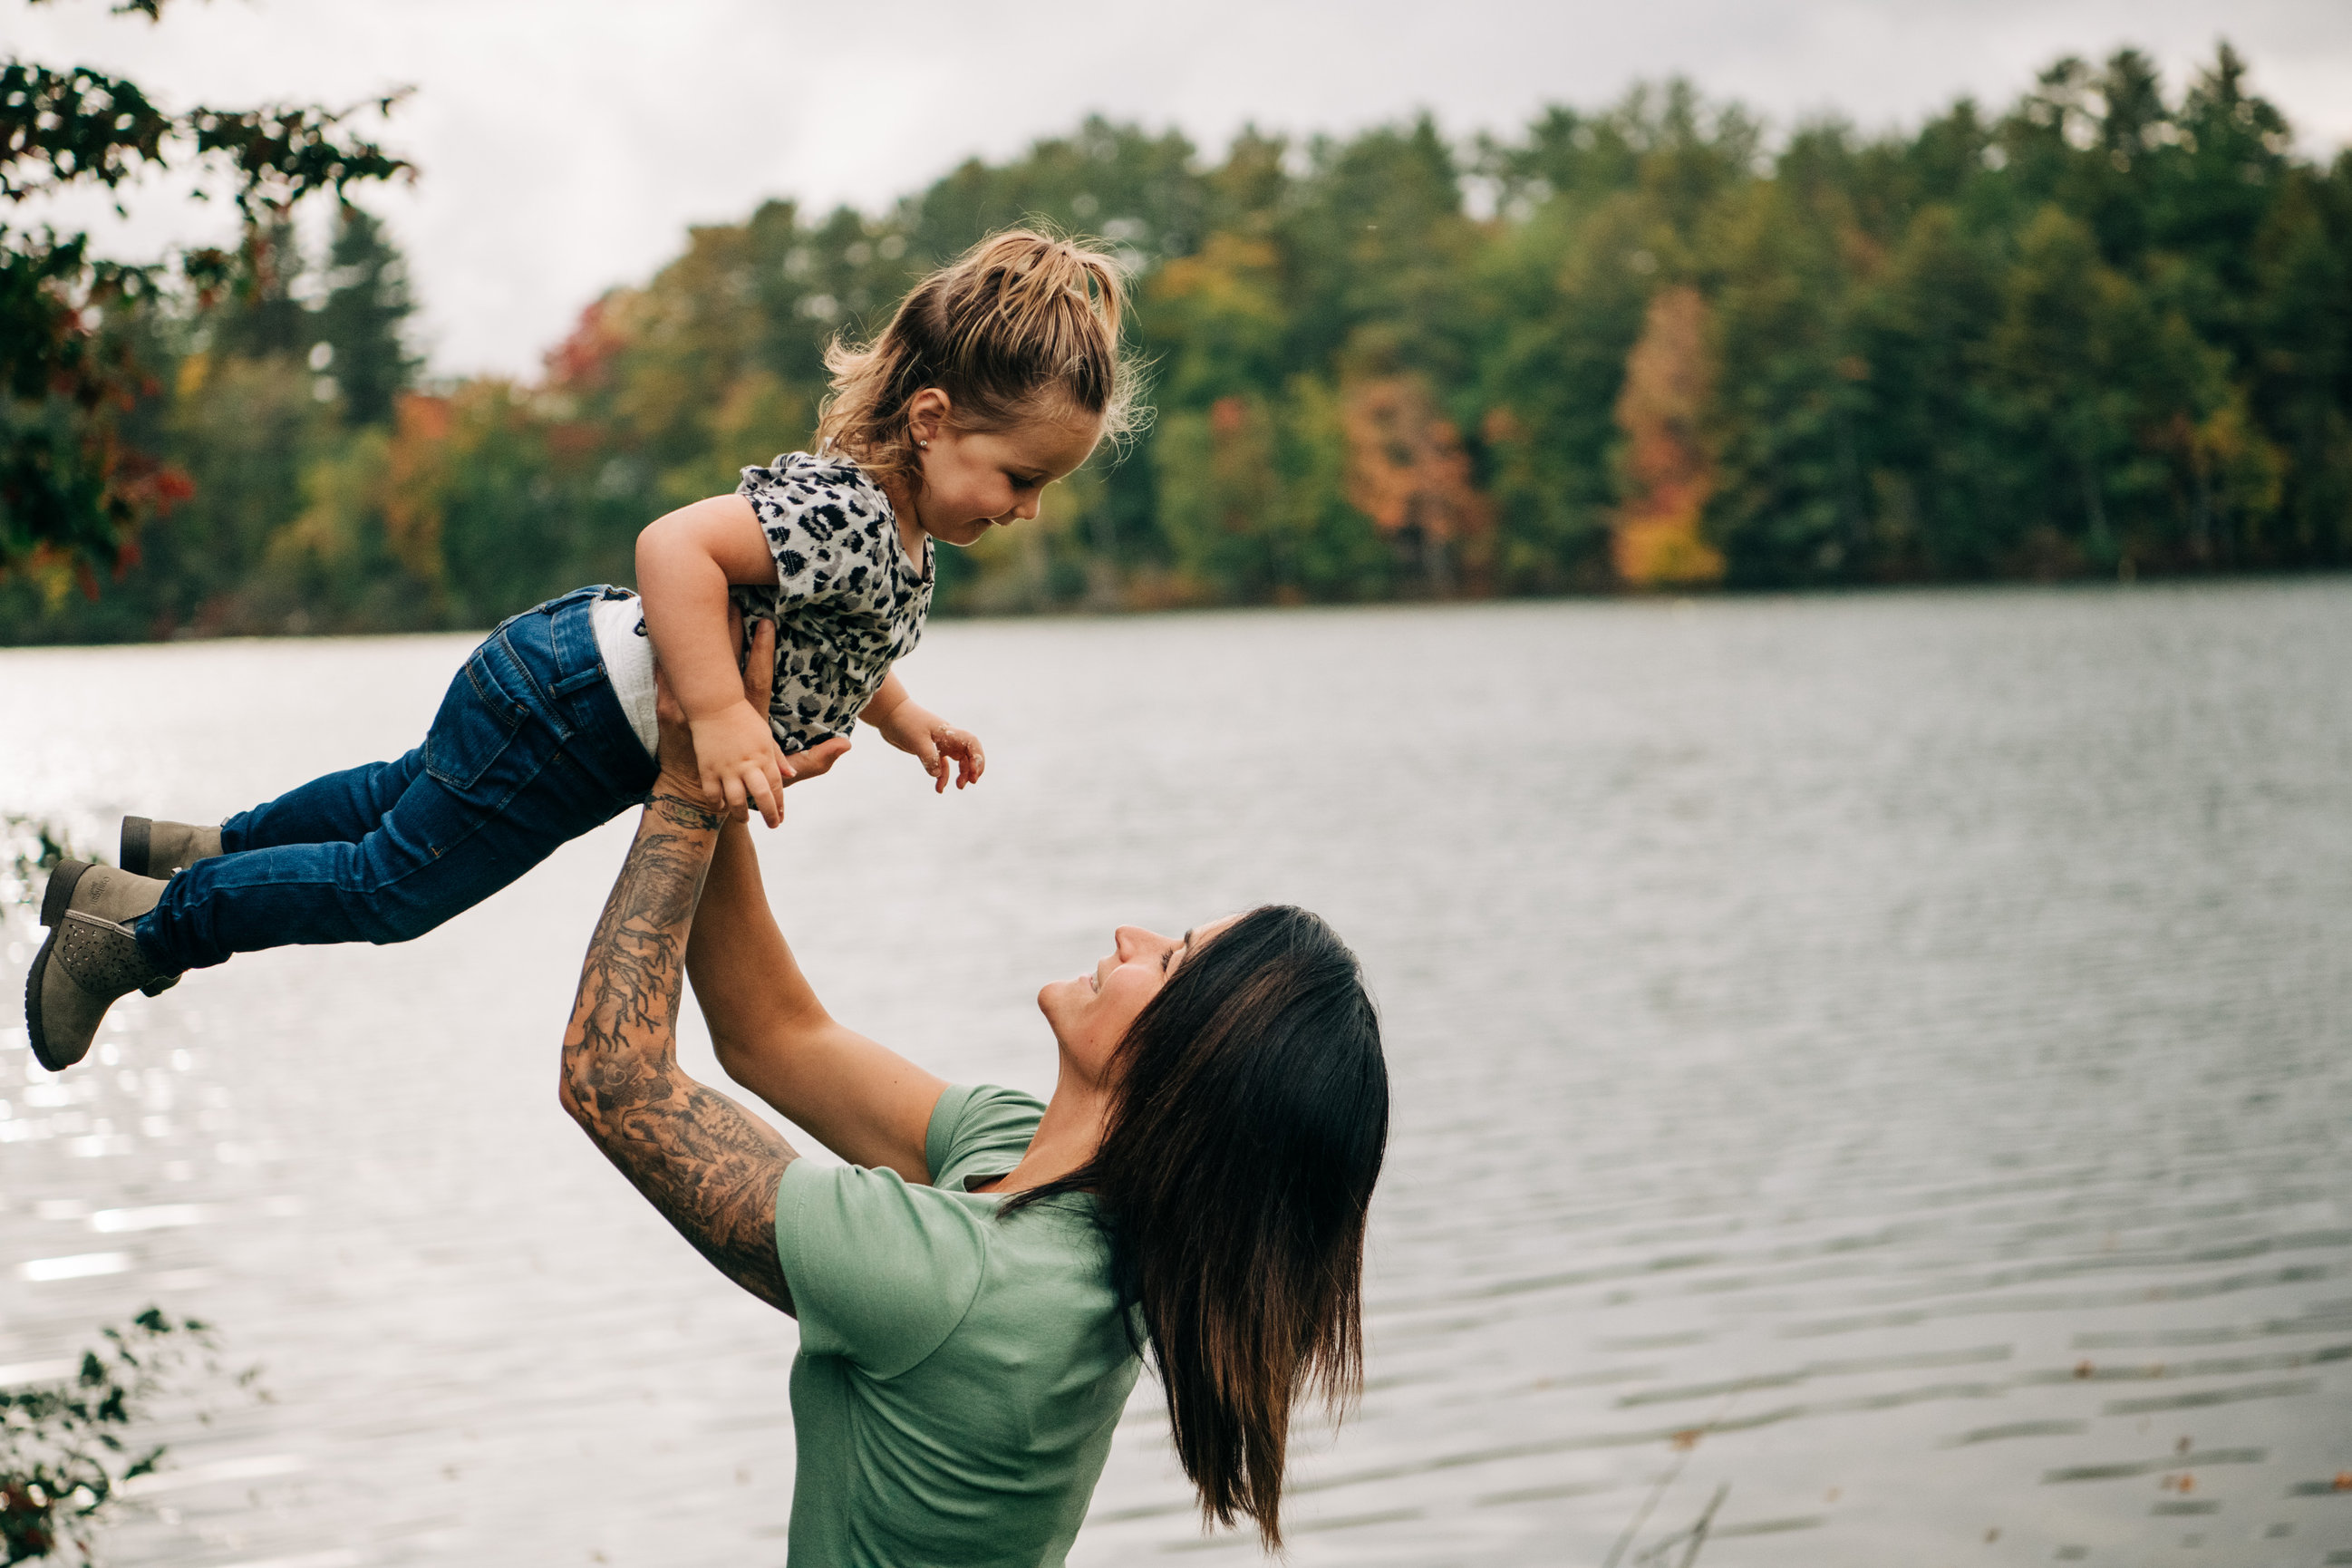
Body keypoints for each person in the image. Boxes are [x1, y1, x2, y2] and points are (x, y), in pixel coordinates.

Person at [25, 230, 1136, 1073]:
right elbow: (676, 547)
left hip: (560, 675)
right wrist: (723, 711)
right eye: (1020, 478)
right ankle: (134, 936)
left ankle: (177, 855)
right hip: (576, 712)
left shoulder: (897, 535)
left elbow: (836, 641)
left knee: (396, 798)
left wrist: (905, 718)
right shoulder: (851, 510)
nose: (1028, 510)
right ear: (934, 419)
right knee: (392, 886)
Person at [557, 628, 1390, 1563]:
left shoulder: (964, 1284)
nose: (1127, 934)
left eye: (1168, 959)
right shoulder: (1040, 1173)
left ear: (1193, 1069)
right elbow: (776, 1034)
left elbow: (612, 1078)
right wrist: (726, 763)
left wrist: (678, 785)